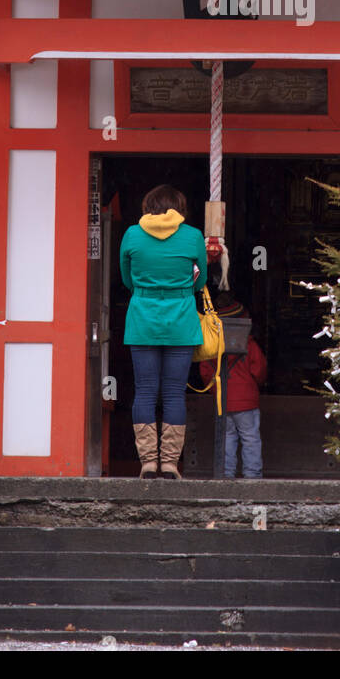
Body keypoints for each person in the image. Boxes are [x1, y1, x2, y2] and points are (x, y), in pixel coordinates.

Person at [120, 184, 207, 478]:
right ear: (179, 208)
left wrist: (146, 292)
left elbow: (126, 278)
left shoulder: (132, 234)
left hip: (142, 319)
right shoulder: (193, 236)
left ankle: (147, 462)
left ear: (147, 205)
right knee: (173, 394)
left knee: (144, 391)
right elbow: (200, 280)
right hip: (181, 320)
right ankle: (170, 463)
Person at [199, 297, 267, 479]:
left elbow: (205, 372)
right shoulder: (250, 345)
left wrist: (214, 390)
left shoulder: (211, 347)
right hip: (247, 401)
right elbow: (259, 370)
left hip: (222, 399)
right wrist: (256, 386)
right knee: (250, 437)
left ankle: (226, 473)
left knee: (227, 437)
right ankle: (252, 474)